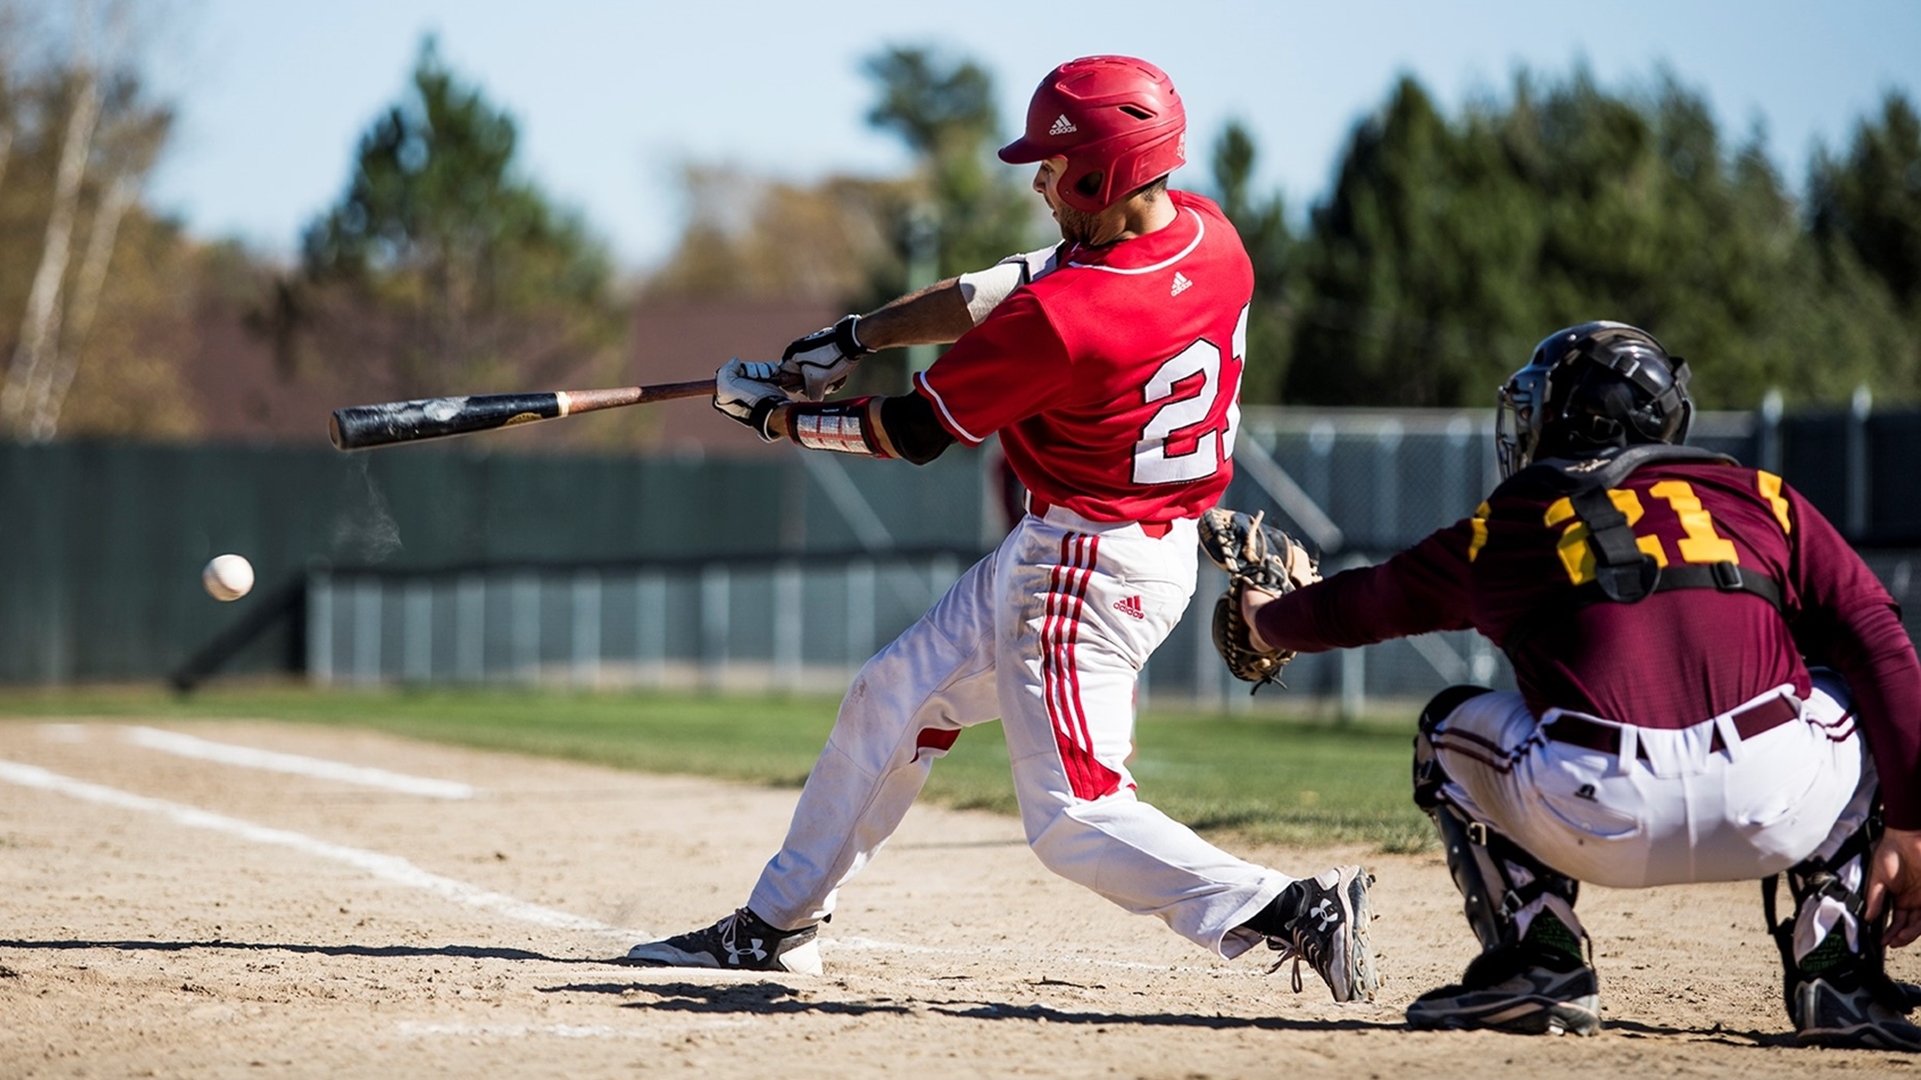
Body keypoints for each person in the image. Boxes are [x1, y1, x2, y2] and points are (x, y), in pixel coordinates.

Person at [621, 55, 1379, 1002]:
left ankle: (1290, 909)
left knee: (1073, 818)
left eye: (1055, 168)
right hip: (1105, 547)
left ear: (1104, 170)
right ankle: (775, 926)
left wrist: (774, 418)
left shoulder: (1067, 321)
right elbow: (1002, 283)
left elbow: (906, 433)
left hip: (1082, 572)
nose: (1038, 181)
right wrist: (853, 338)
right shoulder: (1210, 236)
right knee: (889, 697)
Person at [1227, 321, 1921, 1045]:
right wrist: (1912, 822)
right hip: (1776, 803)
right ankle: (1836, 974)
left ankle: (1539, 967)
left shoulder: (1519, 518)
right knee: (1846, 690)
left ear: (1572, 418)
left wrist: (1266, 621)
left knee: (1446, 728)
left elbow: (1364, 604)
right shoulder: (1759, 496)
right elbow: (1879, 639)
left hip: (1596, 811)